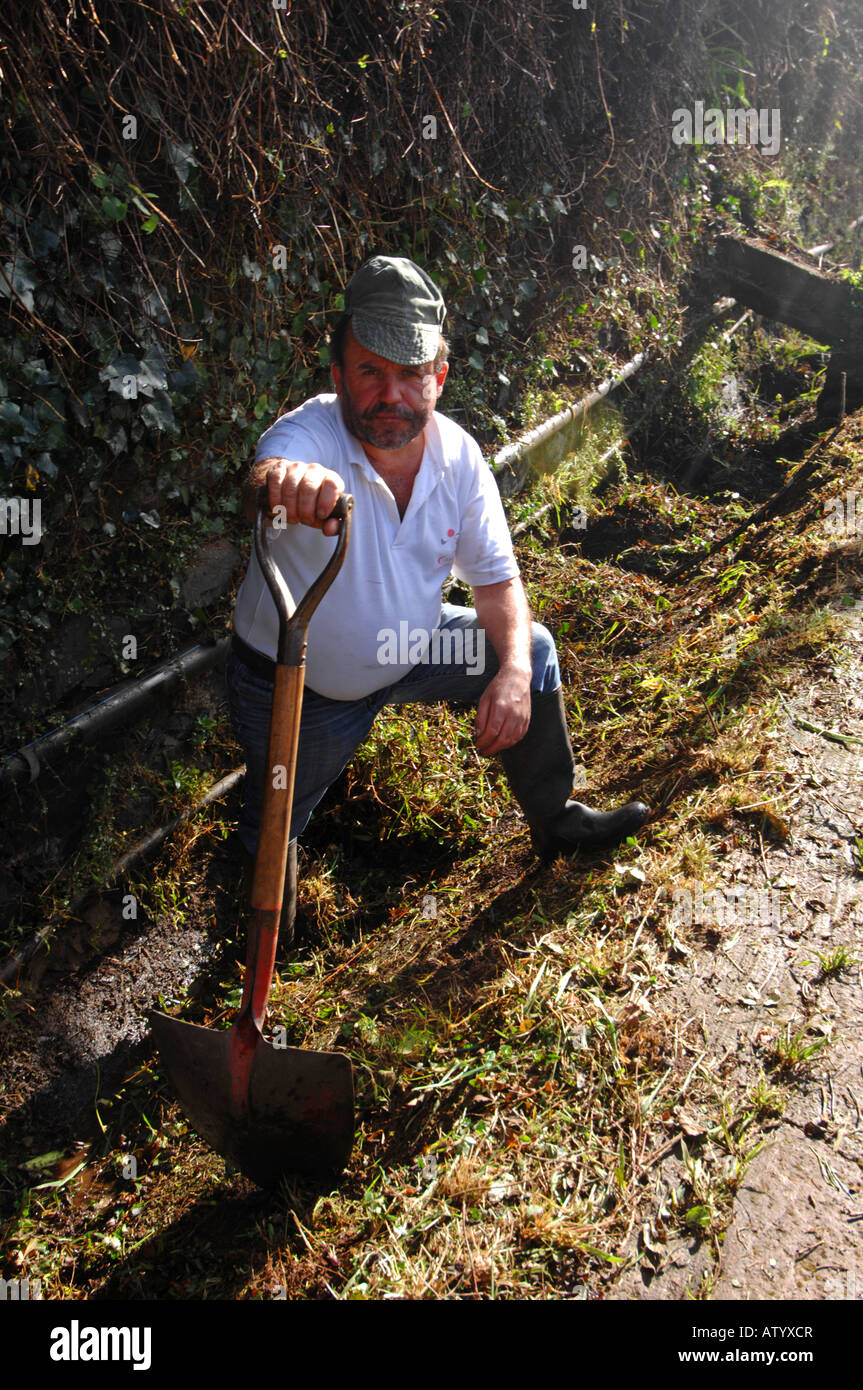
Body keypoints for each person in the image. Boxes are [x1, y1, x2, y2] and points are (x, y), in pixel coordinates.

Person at [226, 255, 649, 942]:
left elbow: (496, 580)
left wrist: (511, 674)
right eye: (368, 372)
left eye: (410, 374)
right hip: (300, 691)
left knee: (530, 649)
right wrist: (286, 484)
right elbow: (264, 474)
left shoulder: (457, 457)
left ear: (438, 378)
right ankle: (259, 950)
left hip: (411, 651)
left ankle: (557, 818)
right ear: (338, 378)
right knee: (272, 824)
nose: (389, 394)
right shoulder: (309, 436)